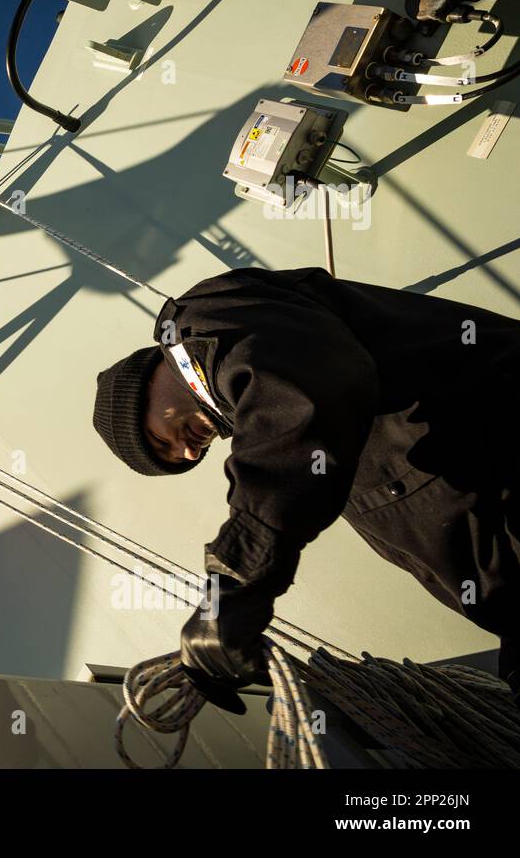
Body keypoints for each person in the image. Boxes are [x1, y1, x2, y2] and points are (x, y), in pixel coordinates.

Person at [91, 266, 520, 709]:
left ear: (141, 389)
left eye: (160, 441)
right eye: (177, 461)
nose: (187, 454)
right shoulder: (312, 456)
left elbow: (307, 386)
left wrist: (239, 580)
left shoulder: (202, 322)